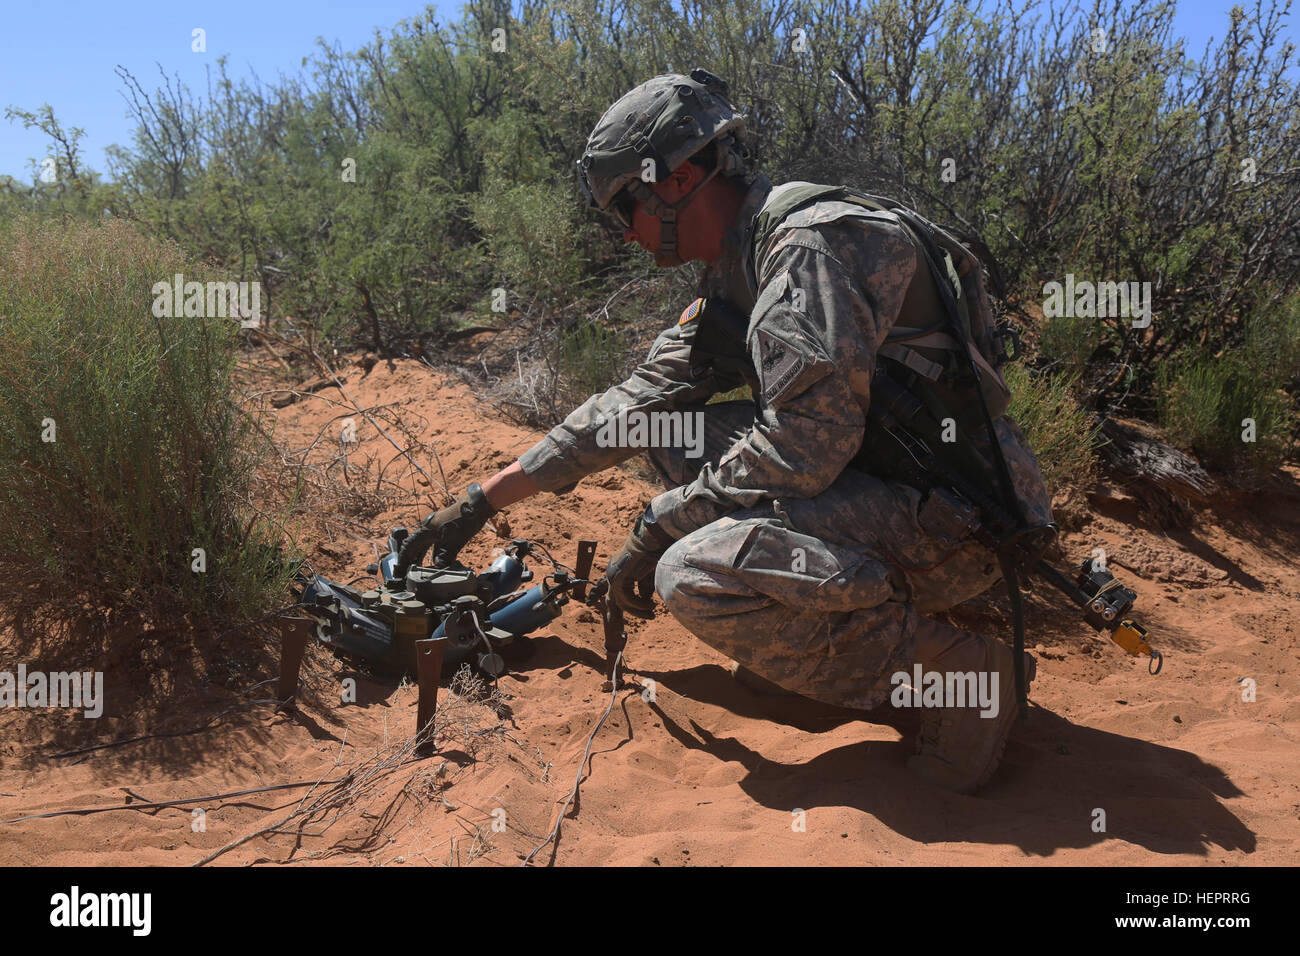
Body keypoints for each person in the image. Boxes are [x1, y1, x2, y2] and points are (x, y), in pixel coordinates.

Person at [397, 69, 1055, 794]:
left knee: (694, 573)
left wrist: (659, 525)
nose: (624, 232)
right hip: (891, 485)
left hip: (959, 518)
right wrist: (485, 498)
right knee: (674, 434)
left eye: (626, 207)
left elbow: (805, 447)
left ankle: (966, 683)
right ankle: (807, 634)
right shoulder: (741, 262)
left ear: (675, 181)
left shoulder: (807, 250)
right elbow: (641, 401)